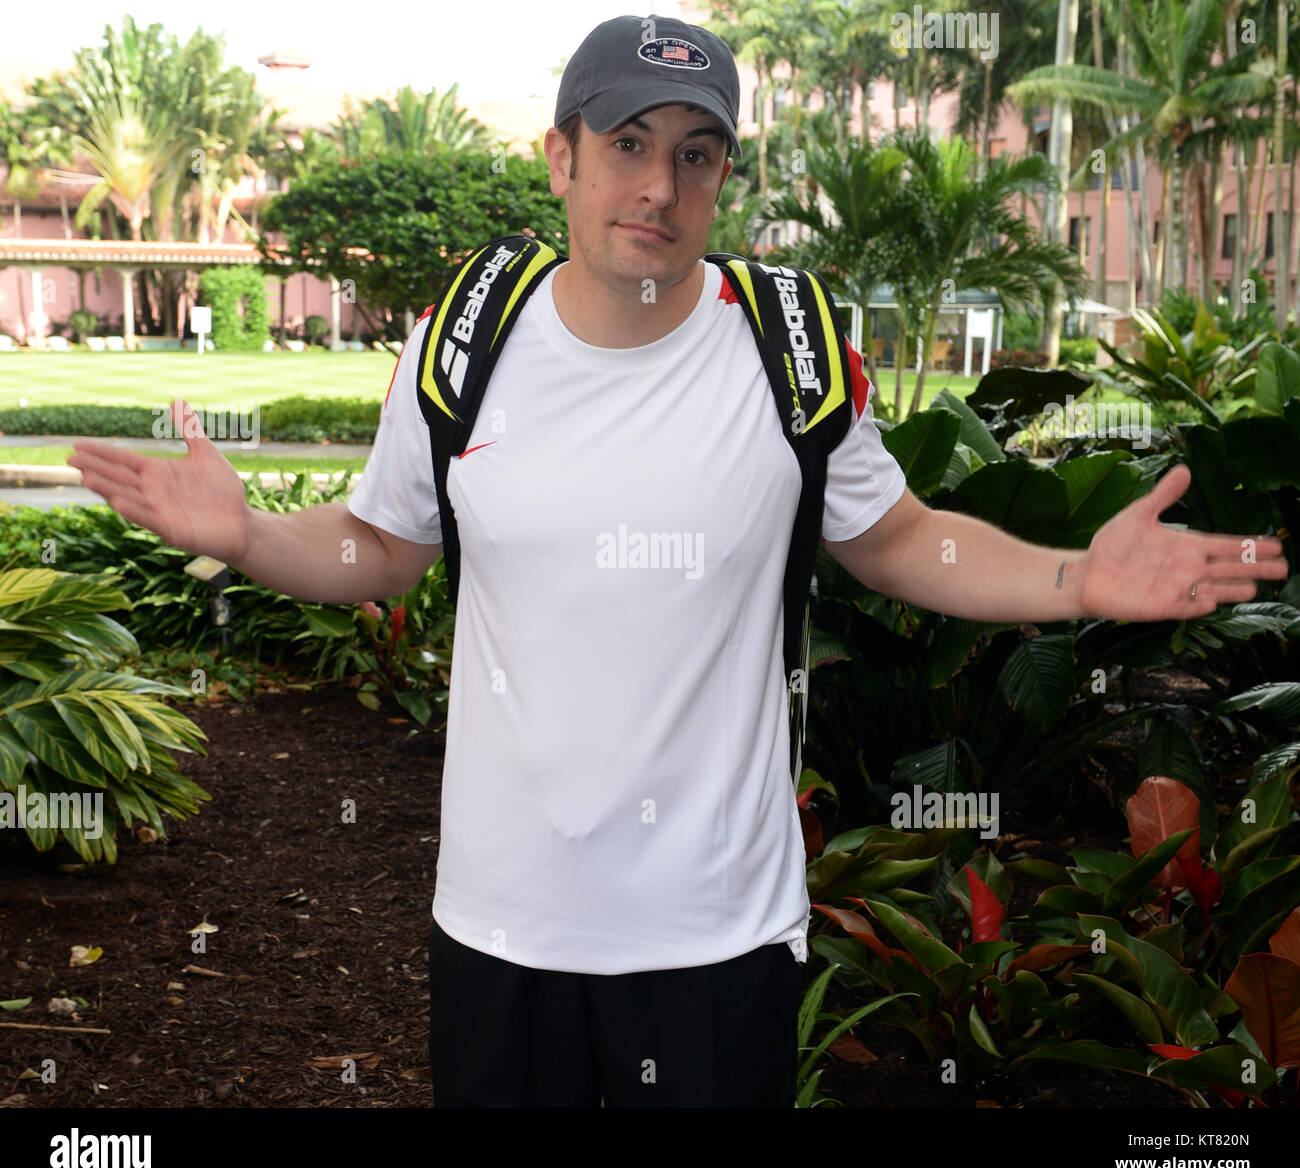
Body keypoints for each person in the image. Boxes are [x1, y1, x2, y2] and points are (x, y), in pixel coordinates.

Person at [67, 13, 1288, 1109]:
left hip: (714, 941)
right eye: (627, 143)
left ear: (721, 177)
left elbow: (902, 538)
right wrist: (247, 537)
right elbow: (382, 547)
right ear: (562, 156)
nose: (657, 182)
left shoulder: (785, 349)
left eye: (694, 152)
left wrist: (1077, 579)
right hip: (502, 931)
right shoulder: (467, 339)